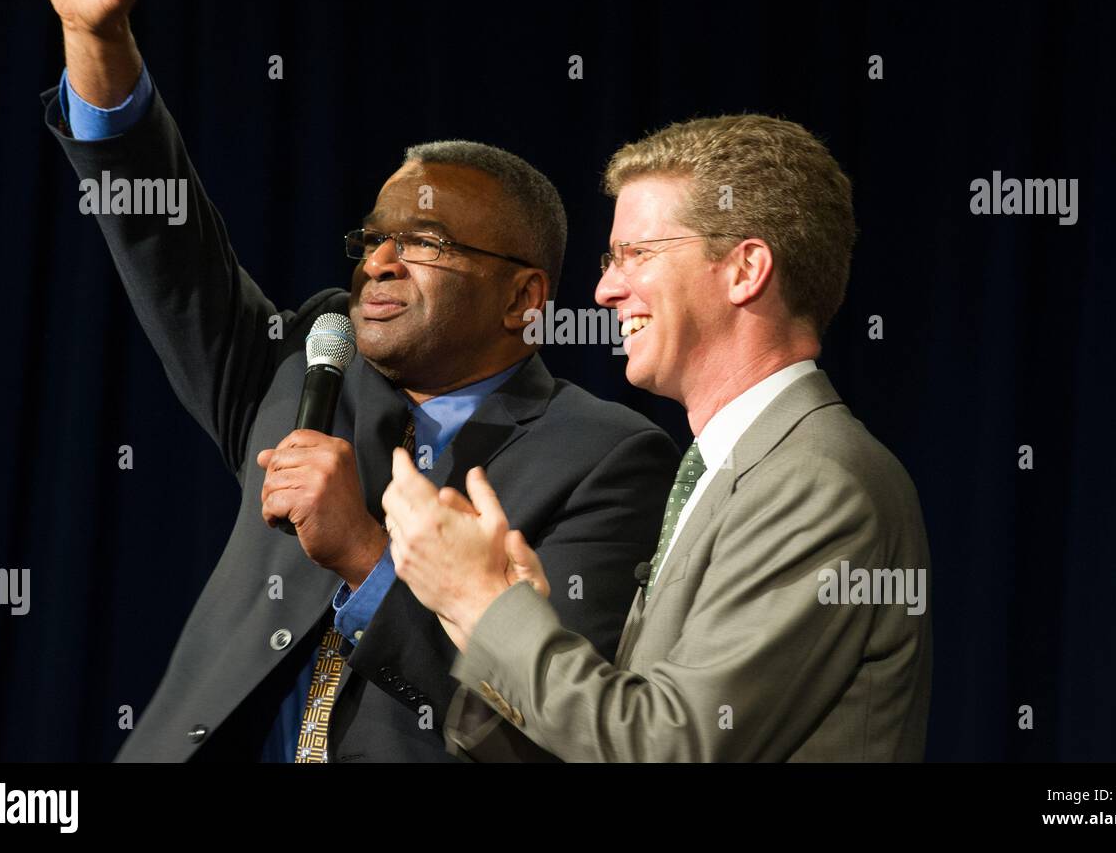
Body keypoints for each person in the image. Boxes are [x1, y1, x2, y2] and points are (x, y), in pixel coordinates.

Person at [40, 0, 677, 762]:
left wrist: (368, 559)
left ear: (524, 297)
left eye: (425, 243)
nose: (379, 261)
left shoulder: (606, 457)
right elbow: (167, 244)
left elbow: (542, 735)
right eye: (374, 237)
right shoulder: (309, 364)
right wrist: (96, 40)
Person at [384, 114, 934, 761]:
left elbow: (668, 747)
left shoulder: (817, 483)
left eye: (636, 255)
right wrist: (497, 615)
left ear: (744, 269)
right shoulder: (727, 471)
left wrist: (482, 603)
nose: (605, 288)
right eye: (608, 259)